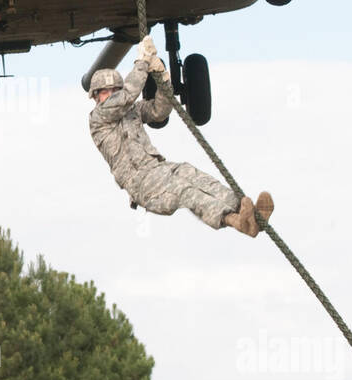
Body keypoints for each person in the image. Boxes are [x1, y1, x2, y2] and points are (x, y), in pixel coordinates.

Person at [88, 38, 274, 237]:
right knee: (186, 191)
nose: (110, 94)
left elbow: (159, 111)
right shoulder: (98, 118)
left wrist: (163, 81)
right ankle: (236, 221)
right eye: (105, 92)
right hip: (140, 182)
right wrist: (141, 62)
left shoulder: (131, 111)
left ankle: (248, 215)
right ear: (96, 97)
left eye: (115, 89)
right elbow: (127, 95)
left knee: (193, 175)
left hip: (158, 169)